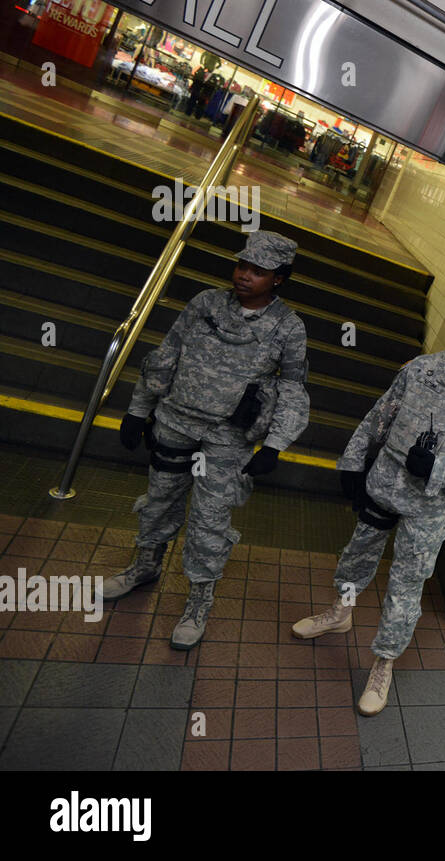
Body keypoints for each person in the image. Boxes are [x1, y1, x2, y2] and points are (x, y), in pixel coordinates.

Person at [292, 310, 445, 715]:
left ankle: (383, 663)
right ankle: (340, 613)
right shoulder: (421, 368)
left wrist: (441, 469)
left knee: (406, 585)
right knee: (357, 556)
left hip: (427, 504)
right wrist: (353, 460)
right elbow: (381, 414)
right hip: (384, 482)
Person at [105, 232, 310, 650]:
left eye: (258, 271)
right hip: (175, 421)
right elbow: (167, 354)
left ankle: (199, 601)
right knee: (159, 498)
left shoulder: (288, 328)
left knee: (209, 520)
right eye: (241, 266)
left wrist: (276, 444)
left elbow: (292, 389)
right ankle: (145, 566)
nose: (244, 276)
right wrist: (138, 409)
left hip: (227, 438)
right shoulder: (204, 304)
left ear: (279, 279)